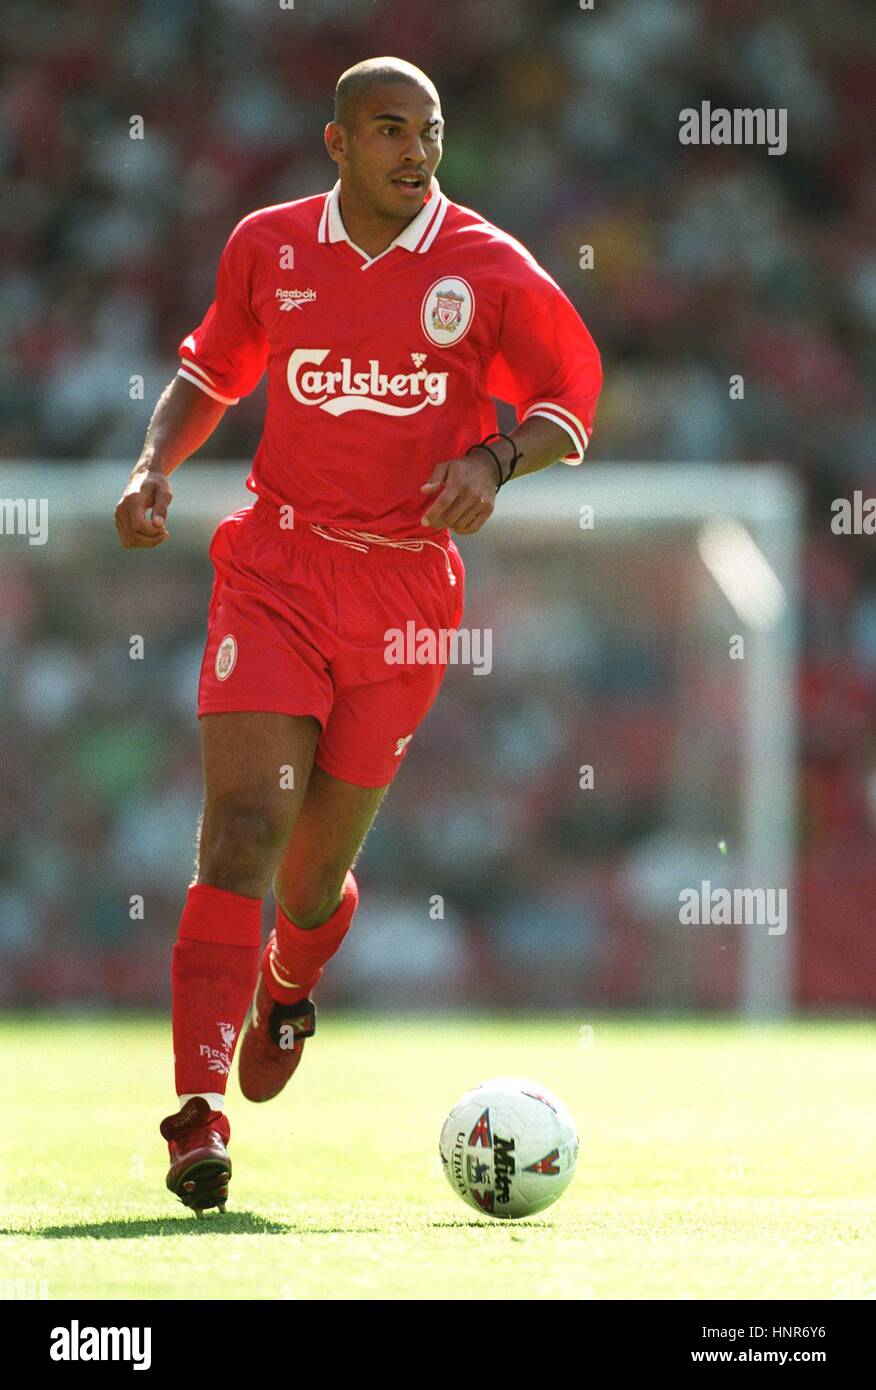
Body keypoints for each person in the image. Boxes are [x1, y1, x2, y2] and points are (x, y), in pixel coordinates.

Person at [114, 56, 602, 1215]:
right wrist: (150, 468)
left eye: (429, 131)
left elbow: (570, 402)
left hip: (403, 596)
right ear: (337, 143)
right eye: (390, 131)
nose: (415, 151)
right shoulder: (269, 247)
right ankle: (196, 1114)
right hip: (275, 567)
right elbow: (209, 370)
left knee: (309, 873)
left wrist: (494, 456)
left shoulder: (487, 267)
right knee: (237, 828)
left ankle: (291, 976)